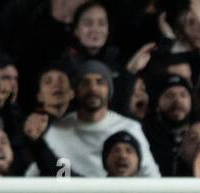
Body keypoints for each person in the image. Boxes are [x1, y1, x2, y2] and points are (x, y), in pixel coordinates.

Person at [24, 60, 158, 177]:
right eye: (85, 82)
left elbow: (152, 179)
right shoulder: (57, 130)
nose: (93, 88)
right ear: (75, 91)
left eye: (100, 82)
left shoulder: (129, 128)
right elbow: (53, 177)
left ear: (109, 90)